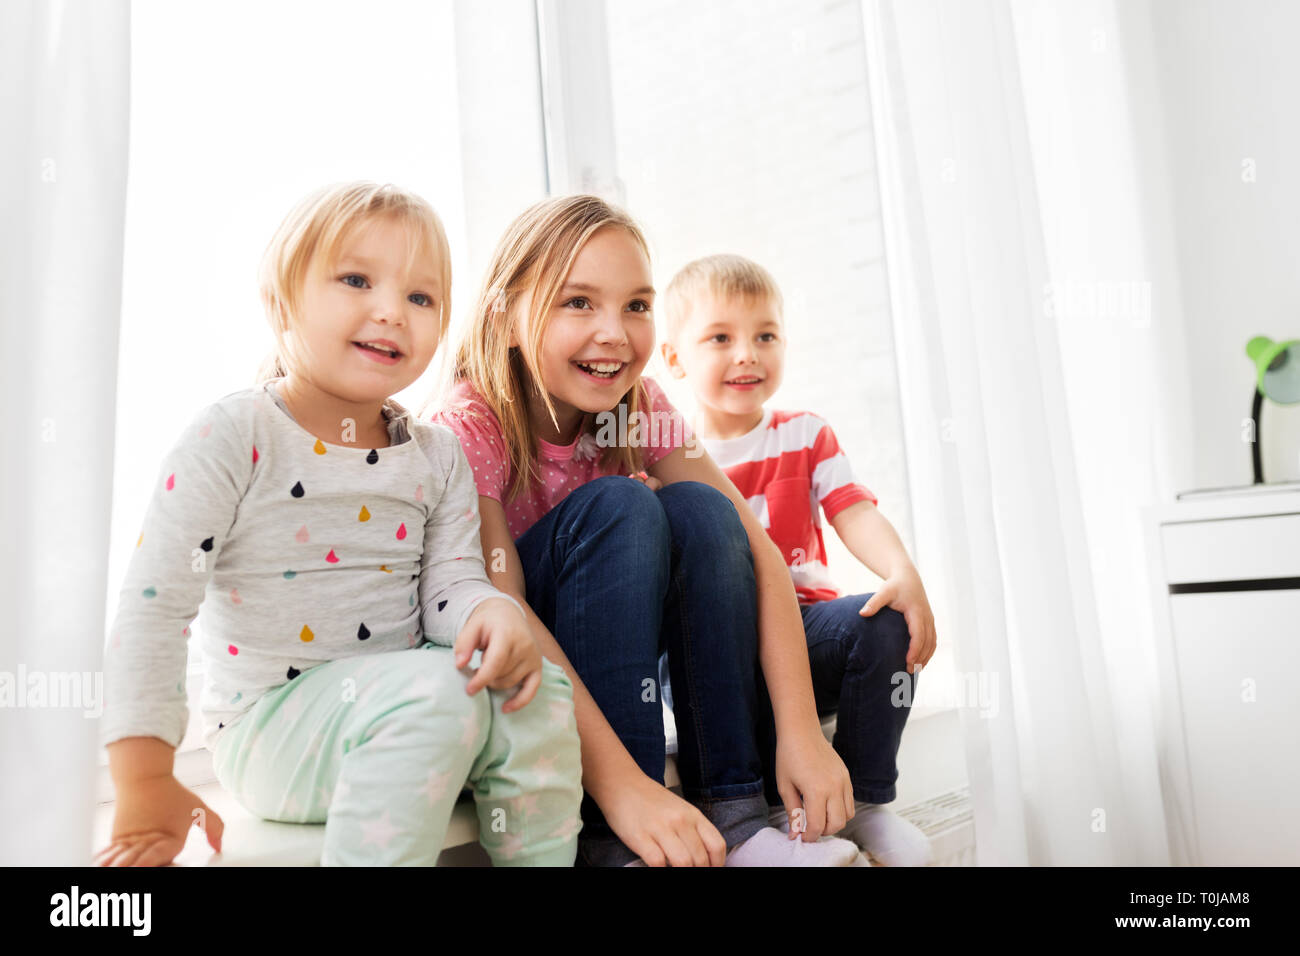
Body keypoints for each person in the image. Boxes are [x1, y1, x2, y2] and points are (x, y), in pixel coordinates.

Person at [96, 182, 581, 867]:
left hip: (411, 701)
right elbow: (153, 608)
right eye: (356, 280)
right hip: (270, 732)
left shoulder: (436, 453)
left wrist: (490, 612)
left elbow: (450, 584)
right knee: (436, 693)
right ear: (280, 303)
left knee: (539, 692)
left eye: (421, 297)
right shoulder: (233, 435)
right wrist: (144, 780)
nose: (391, 311)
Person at [426, 195, 863, 866]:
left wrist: (801, 732)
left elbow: (760, 552)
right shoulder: (470, 424)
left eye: (635, 305)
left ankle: (737, 813)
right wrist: (626, 787)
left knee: (701, 509)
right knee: (623, 507)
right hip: (526, 667)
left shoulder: (640, 407)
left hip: (617, 651)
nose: (615, 333)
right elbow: (502, 605)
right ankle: (608, 835)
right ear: (507, 317)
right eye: (578, 303)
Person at [658, 253, 937, 866]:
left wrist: (901, 572)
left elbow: (854, 511)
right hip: (716, 656)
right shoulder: (667, 456)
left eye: (766, 335)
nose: (746, 354)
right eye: (720, 338)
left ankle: (862, 806)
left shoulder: (806, 434)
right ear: (674, 358)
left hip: (805, 633)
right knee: (717, 653)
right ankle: (763, 824)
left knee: (886, 621)